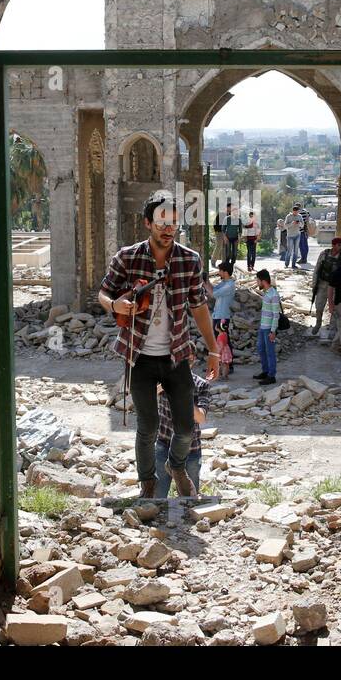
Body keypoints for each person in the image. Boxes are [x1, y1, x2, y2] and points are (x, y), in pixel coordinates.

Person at [98, 191, 219, 499]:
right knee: (148, 426)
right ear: (148, 223)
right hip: (138, 356)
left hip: (176, 355)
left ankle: (176, 467)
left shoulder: (189, 260)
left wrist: (214, 348)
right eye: (162, 222)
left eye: (174, 223)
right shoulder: (127, 257)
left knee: (185, 428)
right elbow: (104, 294)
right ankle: (147, 484)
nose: (169, 228)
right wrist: (115, 306)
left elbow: (199, 307)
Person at [154, 371, 210, 498]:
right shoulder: (162, 378)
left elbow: (201, 418)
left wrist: (184, 395)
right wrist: (165, 385)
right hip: (164, 444)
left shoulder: (201, 384)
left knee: (189, 499)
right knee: (157, 496)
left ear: (193, 359)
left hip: (191, 450)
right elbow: (144, 396)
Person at [310, 235, 341, 335]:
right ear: (333, 245)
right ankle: (318, 323)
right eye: (338, 245)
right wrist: (314, 283)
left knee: (334, 308)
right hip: (322, 284)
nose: (340, 247)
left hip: (335, 287)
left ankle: (332, 328)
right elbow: (317, 269)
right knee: (319, 306)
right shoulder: (324, 254)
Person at [254, 269, 281, 385]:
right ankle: (265, 371)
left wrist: (273, 331)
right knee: (261, 349)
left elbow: (276, 315)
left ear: (263, 281)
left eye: (258, 280)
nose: (257, 282)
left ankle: (271, 375)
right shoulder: (267, 292)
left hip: (269, 329)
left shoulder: (273, 295)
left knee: (270, 352)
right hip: (262, 327)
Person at [211, 260, 236, 379]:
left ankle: (228, 365)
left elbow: (213, 294)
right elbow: (214, 290)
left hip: (223, 317)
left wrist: (204, 284)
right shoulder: (224, 283)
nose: (219, 272)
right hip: (218, 315)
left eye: (220, 270)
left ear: (225, 272)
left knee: (224, 342)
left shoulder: (229, 285)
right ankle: (220, 364)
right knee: (219, 341)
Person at [283, 204, 304, 269]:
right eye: (294, 212)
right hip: (290, 236)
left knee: (296, 251)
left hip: (297, 235)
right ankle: (286, 264)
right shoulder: (288, 216)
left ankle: (293, 265)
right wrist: (292, 223)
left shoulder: (300, 216)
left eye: (297, 212)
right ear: (292, 211)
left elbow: (302, 225)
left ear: (298, 211)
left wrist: (299, 223)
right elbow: (285, 226)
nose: (296, 213)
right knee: (289, 250)